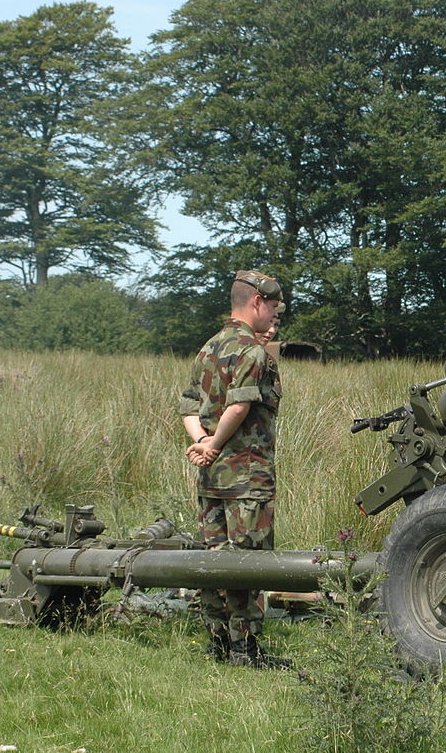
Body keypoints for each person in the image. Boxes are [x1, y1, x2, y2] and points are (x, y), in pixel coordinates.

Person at [179, 270, 289, 669]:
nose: (275, 316)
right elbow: (239, 407)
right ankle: (246, 651)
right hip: (247, 478)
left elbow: (189, 408)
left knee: (213, 559)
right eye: (273, 308)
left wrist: (202, 444)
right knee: (249, 561)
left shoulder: (207, 349)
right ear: (256, 303)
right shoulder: (252, 351)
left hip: (211, 478)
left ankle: (218, 644)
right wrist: (217, 443)